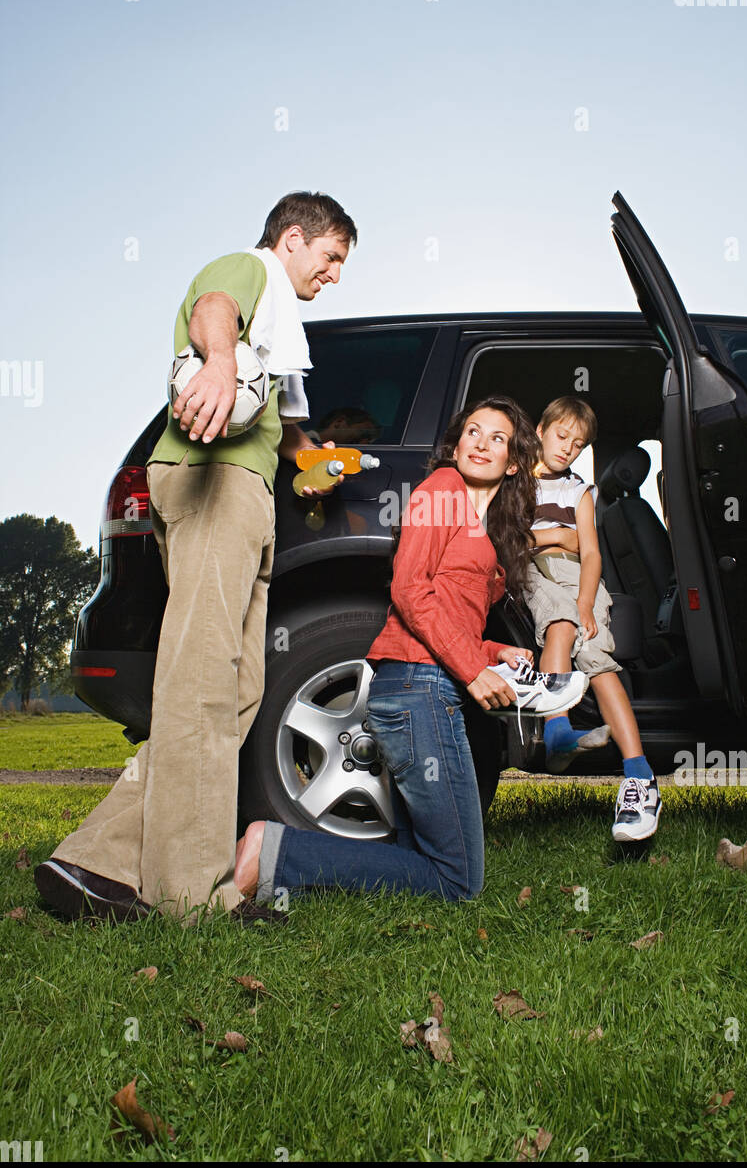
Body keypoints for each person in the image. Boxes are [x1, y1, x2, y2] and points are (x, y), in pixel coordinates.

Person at [36, 191, 357, 923]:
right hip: (216, 487)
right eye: (333, 257)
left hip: (249, 498)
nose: (335, 273)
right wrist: (216, 363)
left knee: (234, 696)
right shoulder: (250, 270)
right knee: (202, 687)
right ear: (297, 238)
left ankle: (96, 862)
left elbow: (295, 438)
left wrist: (323, 466)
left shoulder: (283, 333)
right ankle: (190, 896)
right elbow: (214, 302)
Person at [234, 396, 585, 904]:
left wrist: (492, 653)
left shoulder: (478, 520)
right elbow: (409, 591)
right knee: (459, 881)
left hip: (419, 686)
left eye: (497, 438)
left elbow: (446, 612)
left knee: (420, 855)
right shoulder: (441, 490)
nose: (480, 443)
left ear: (514, 463)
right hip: (419, 690)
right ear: (457, 443)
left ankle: (290, 863)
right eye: (472, 431)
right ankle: (275, 852)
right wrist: (473, 670)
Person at [523, 396, 662, 842]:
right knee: (558, 626)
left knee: (599, 659)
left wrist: (587, 602)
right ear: (541, 430)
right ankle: (559, 730)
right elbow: (511, 538)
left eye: (578, 444)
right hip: (533, 575)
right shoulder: (516, 480)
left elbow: (591, 552)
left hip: (577, 577)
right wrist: (552, 534)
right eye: (561, 436)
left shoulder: (580, 490)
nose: (567, 448)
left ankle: (639, 774)